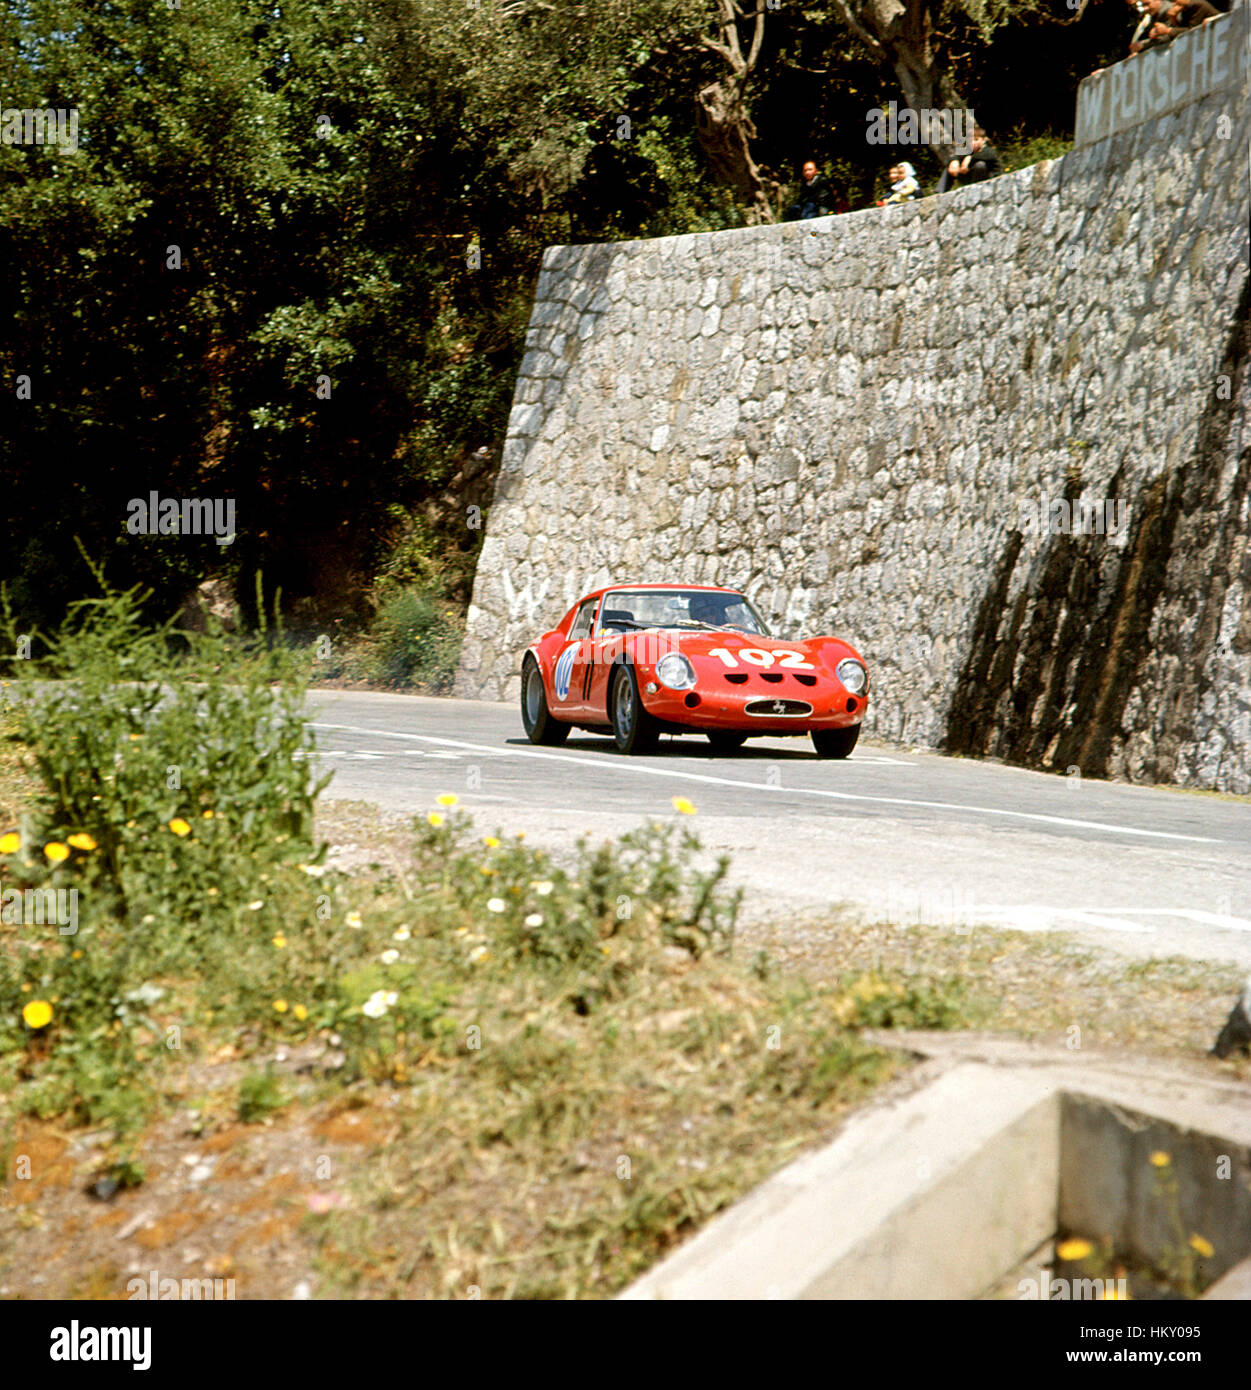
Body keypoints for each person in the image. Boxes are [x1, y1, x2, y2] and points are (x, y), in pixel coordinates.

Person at [936, 126, 1002, 195]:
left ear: (983, 140)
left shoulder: (988, 151)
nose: (973, 143)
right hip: (971, 179)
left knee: (980, 165)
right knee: (951, 166)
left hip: (990, 183)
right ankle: (939, 192)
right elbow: (956, 157)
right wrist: (954, 161)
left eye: (976, 140)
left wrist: (969, 159)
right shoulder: (967, 151)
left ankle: (975, 191)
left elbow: (986, 156)